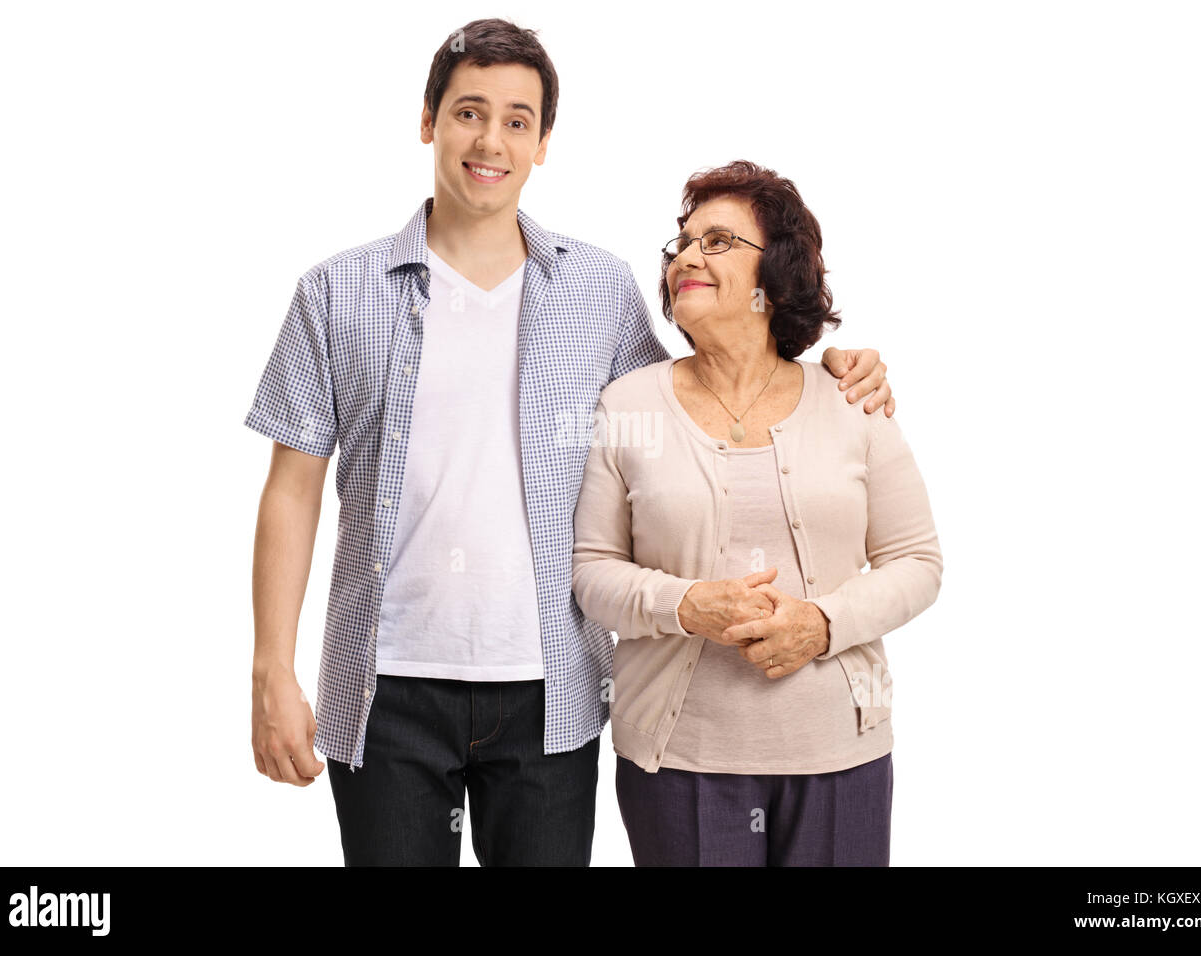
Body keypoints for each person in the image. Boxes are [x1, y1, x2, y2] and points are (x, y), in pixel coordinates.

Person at [244, 19, 897, 867]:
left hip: (553, 690)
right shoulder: (337, 291)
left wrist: (831, 364)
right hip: (383, 689)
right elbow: (290, 490)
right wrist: (272, 670)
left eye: (518, 120)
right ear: (428, 121)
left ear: (543, 142)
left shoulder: (596, 289)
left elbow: (701, 397)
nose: (491, 139)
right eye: (469, 112)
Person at [571, 160, 942, 866]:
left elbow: (918, 562)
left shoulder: (851, 399)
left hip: (842, 754)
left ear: (773, 275)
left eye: (716, 242)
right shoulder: (629, 404)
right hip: (679, 763)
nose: (685, 257)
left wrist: (822, 623)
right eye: (681, 244)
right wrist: (685, 605)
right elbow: (591, 573)